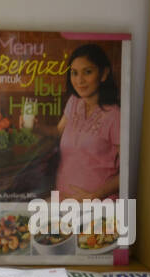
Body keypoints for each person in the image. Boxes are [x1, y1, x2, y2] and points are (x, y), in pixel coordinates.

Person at [51, 43, 122, 202]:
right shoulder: (74, 102)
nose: (79, 80)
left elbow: (127, 171)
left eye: (87, 72)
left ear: (103, 74)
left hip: (98, 206)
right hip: (63, 201)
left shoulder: (115, 116)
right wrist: (34, 127)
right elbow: (58, 132)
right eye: (74, 73)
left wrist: (94, 196)